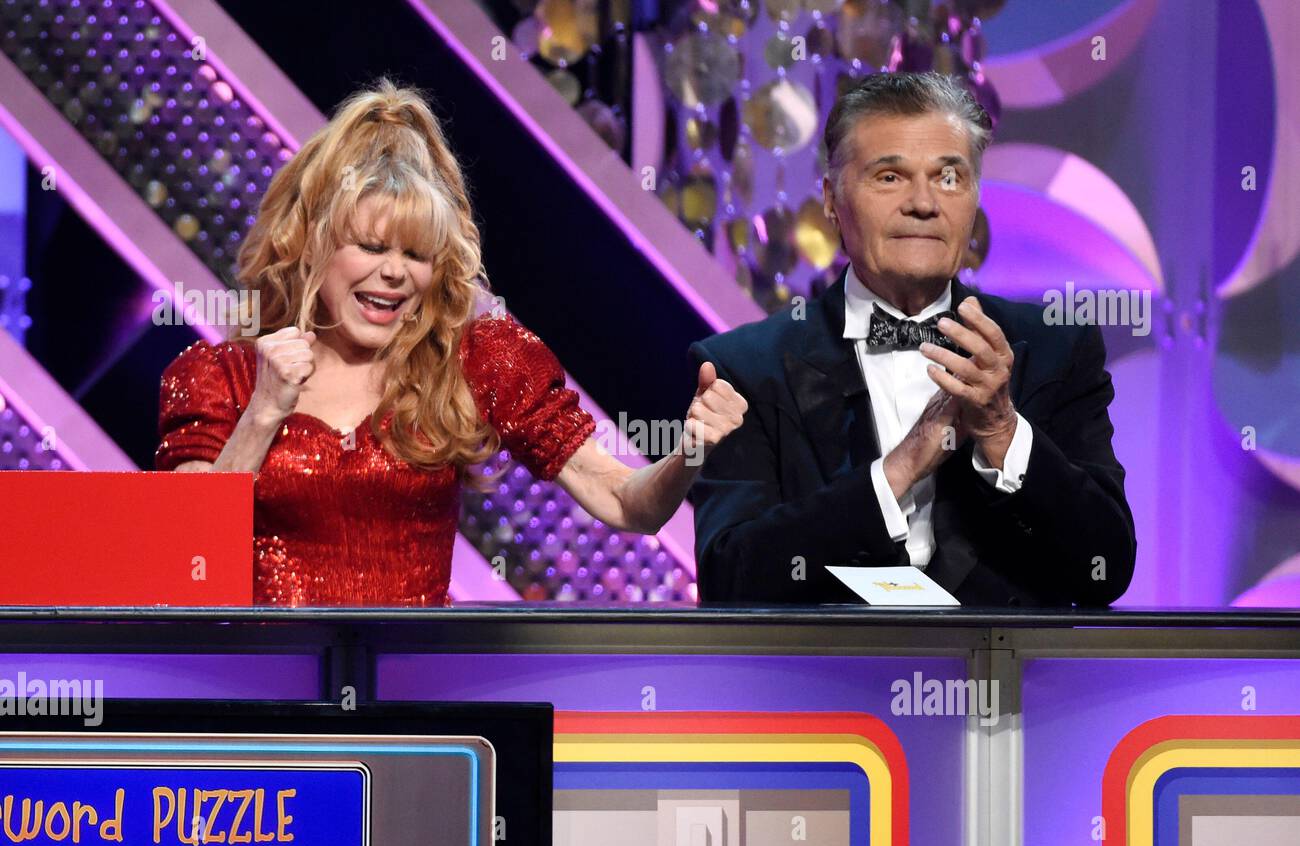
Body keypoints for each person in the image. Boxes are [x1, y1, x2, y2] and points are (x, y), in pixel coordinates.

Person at [156, 79, 746, 606]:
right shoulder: (220, 376)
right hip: (262, 706)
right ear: (313, 245)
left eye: (415, 255)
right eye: (370, 246)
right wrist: (262, 414)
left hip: (411, 708)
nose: (394, 272)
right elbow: (178, 556)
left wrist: (687, 453)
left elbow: (625, 503)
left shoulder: (470, 360)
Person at [689, 72, 1135, 607]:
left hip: (1005, 684)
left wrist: (1002, 431)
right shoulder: (745, 369)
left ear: (974, 198)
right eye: (890, 177)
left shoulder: (1058, 349)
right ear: (832, 200)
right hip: (827, 684)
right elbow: (730, 582)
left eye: (949, 177)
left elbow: (1103, 569)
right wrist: (902, 467)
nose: (924, 203)